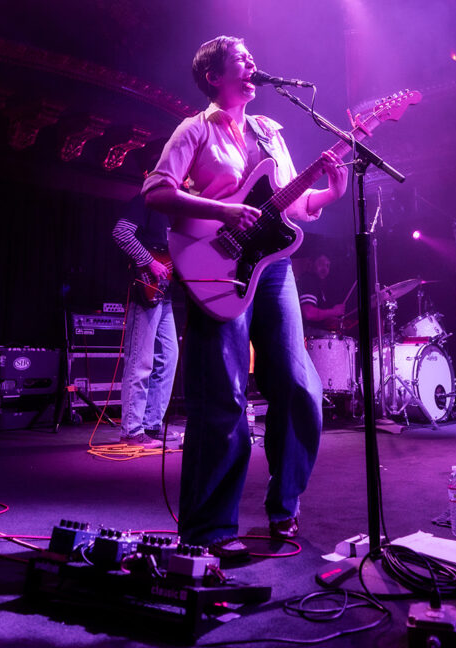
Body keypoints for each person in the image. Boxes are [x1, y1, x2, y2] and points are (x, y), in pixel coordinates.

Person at [143, 35, 348, 557]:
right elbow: (157, 192)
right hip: (215, 268)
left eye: (253, 57)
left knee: (300, 387)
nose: (253, 63)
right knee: (225, 400)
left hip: (273, 269)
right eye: (241, 58)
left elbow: (289, 205)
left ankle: (285, 509)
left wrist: (330, 193)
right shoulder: (194, 129)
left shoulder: (270, 130)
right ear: (214, 75)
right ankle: (209, 532)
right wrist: (225, 212)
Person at [110, 193, 178, 447]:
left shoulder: (179, 212)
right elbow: (121, 233)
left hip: (166, 292)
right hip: (146, 288)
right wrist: (150, 262)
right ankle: (131, 429)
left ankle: (151, 424)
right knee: (141, 359)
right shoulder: (147, 200)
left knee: (169, 357)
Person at [297, 253, 349, 335]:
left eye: (327, 266)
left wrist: (330, 319)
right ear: (311, 263)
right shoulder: (308, 281)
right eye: (321, 264)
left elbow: (316, 317)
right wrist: (333, 311)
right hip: (306, 334)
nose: (325, 269)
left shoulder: (317, 285)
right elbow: (309, 313)